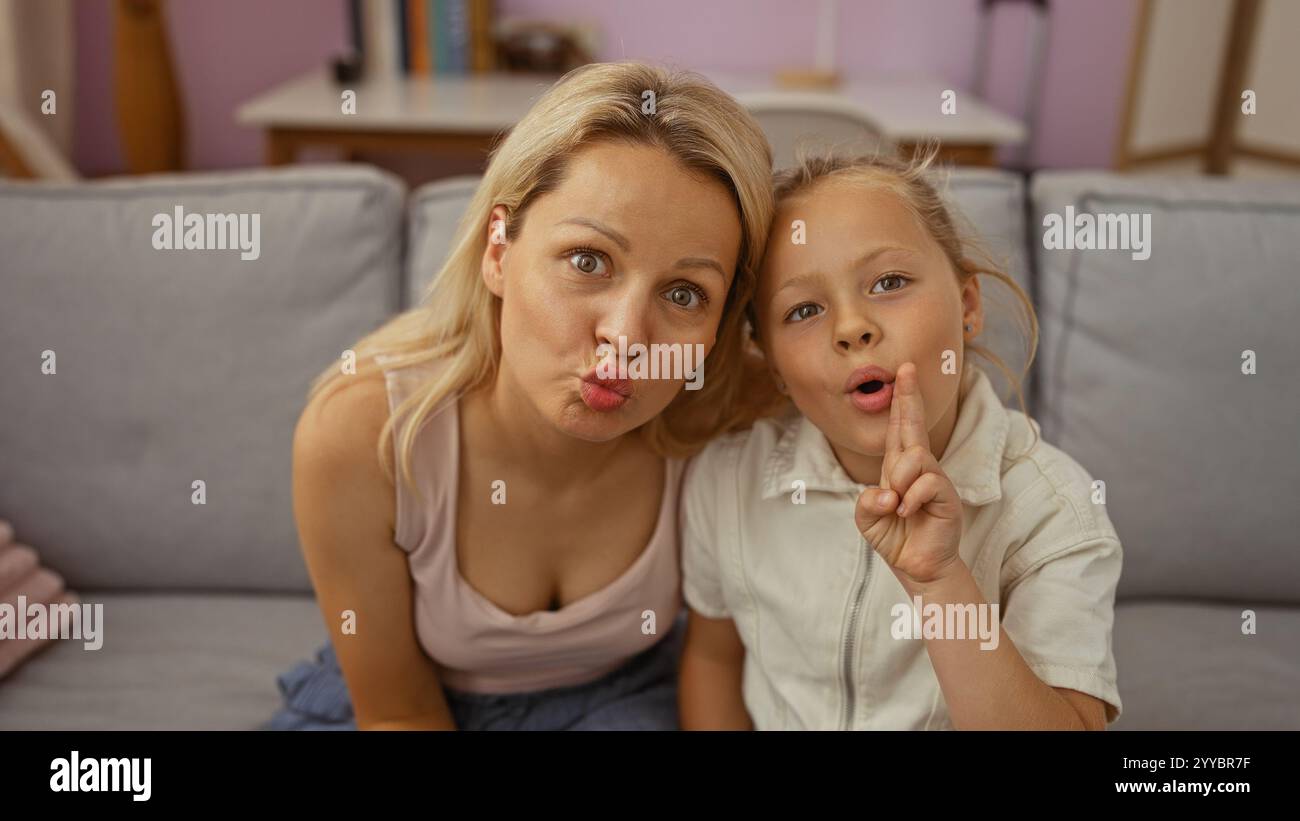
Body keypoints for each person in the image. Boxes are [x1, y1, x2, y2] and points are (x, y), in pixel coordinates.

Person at [265, 61, 779, 730]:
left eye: (684, 294)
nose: (626, 337)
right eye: (589, 260)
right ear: (498, 249)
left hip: (624, 704)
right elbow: (397, 712)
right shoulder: (364, 433)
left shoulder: (728, 404)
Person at [678, 147, 1124, 730]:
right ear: (775, 366)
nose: (851, 327)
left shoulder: (1055, 511)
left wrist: (940, 582)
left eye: (889, 282)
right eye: (804, 310)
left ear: (968, 305)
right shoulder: (728, 480)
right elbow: (713, 659)